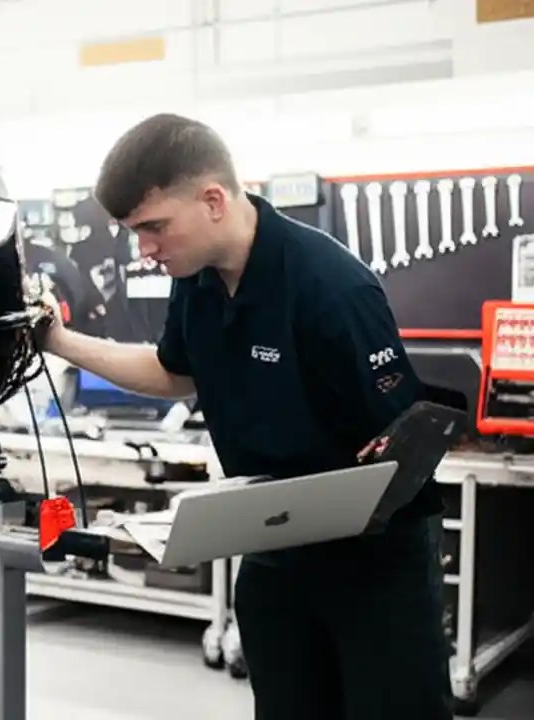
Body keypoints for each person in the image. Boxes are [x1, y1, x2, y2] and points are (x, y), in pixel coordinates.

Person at [39, 113, 452, 720]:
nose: (144, 250)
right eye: (134, 233)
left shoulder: (331, 287)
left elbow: (402, 450)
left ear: (213, 201)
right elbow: (176, 374)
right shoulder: (197, 277)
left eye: (154, 228)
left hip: (373, 567)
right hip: (274, 552)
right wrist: (58, 340)